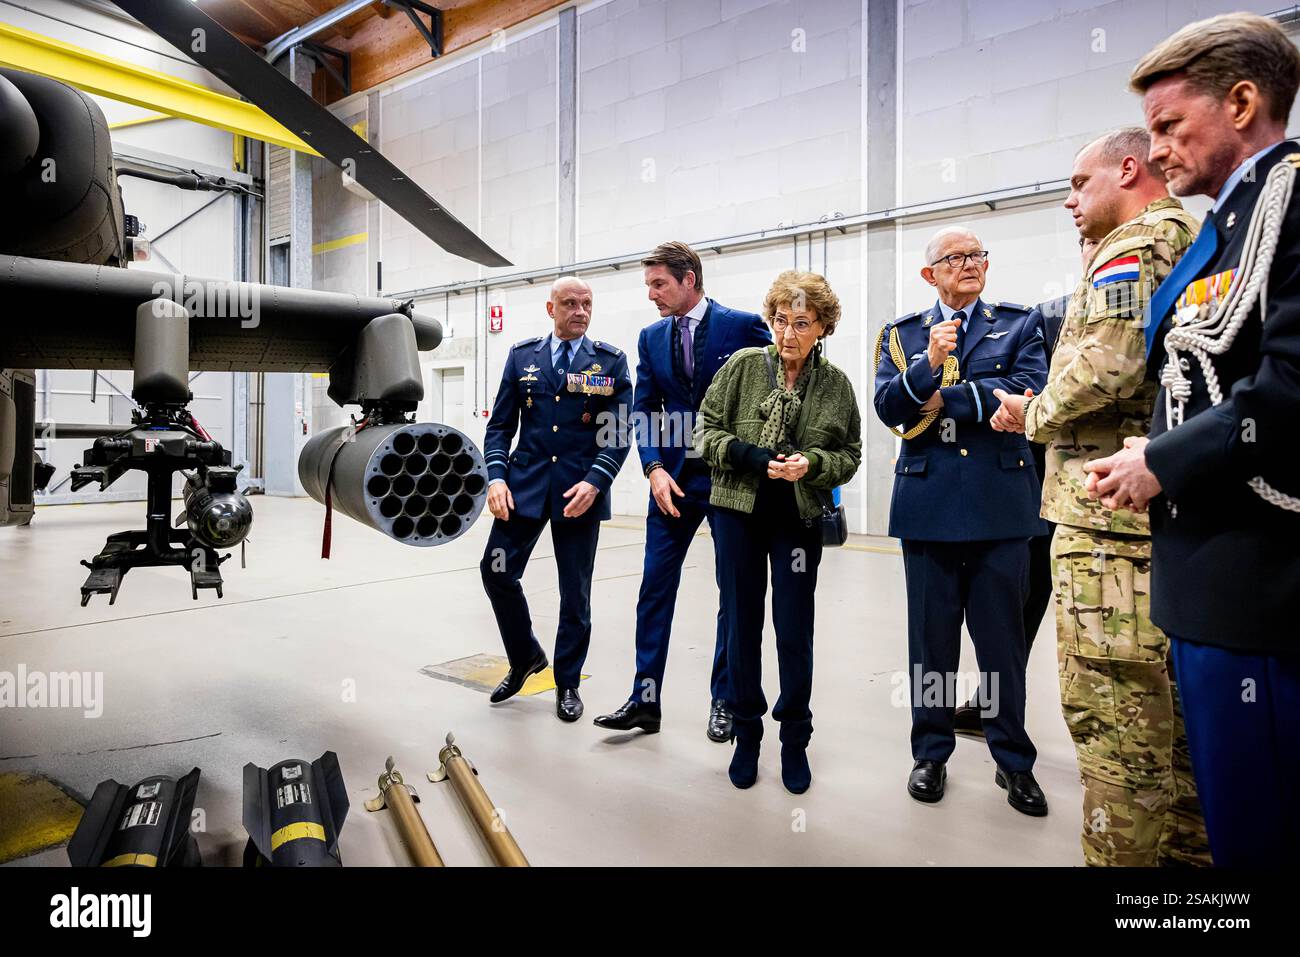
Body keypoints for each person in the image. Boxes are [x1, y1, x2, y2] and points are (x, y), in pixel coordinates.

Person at [1086, 12, 1300, 865]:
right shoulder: (1230, 219)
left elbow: (1288, 386)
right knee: (1230, 812)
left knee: (1263, 825)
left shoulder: (1289, 203)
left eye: (1171, 125)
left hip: (1260, 580)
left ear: (1243, 102)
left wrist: (1158, 460)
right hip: (1210, 578)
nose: (1159, 146)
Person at [991, 128, 1210, 866]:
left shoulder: (1138, 242)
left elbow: (1106, 369)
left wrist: (1032, 413)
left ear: (1128, 169)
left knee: (1117, 738)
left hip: (1108, 528)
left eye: (1079, 183)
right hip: (1163, 525)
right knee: (1179, 741)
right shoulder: (1195, 236)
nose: (1069, 198)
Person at [873, 227, 1049, 816]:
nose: (970, 264)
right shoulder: (902, 337)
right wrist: (930, 365)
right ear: (931, 275)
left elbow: (1031, 391)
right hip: (929, 507)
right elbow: (889, 408)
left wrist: (946, 397)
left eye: (978, 255)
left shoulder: (1022, 324)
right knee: (932, 644)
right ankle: (930, 752)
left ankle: (1013, 762)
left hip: (1002, 506)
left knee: (1003, 645)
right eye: (956, 258)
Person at [593, 242, 770, 740]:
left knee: (732, 592)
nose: (651, 295)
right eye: (649, 285)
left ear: (689, 279)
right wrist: (651, 467)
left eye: (659, 284)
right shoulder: (650, 338)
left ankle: (726, 700)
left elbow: (769, 394)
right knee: (654, 588)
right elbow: (644, 409)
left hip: (729, 478)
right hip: (671, 479)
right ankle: (644, 701)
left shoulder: (743, 326)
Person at [693, 270, 861, 793]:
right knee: (741, 627)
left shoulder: (834, 386)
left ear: (823, 328)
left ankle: (794, 740)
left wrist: (810, 464)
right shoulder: (744, 367)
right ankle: (746, 735)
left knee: (793, 632)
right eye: (781, 321)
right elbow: (705, 432)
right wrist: (746, 455)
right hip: (738, 517)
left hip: (797, 521)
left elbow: (850, 454)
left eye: (802, 323)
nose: (788, 333)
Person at [950, 242, 1091, 738]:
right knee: (1019, 602)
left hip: (1114, 484)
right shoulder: (1047, 315)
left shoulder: (1138, 304)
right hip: (1037, 481)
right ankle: (993, 706)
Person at [479, 276, 633, 722]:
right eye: (570, 303)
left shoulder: (610, 361)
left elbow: (619, 432)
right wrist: (496, 478)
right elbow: (500, 426)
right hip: (523, 487)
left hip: (577, 493)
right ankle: (525, 655)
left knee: (575, 594)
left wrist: (596, 482)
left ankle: (567, 683)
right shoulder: (522, 356)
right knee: (496, 571)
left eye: (587, 303)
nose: (580, 310)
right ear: (551, 309)